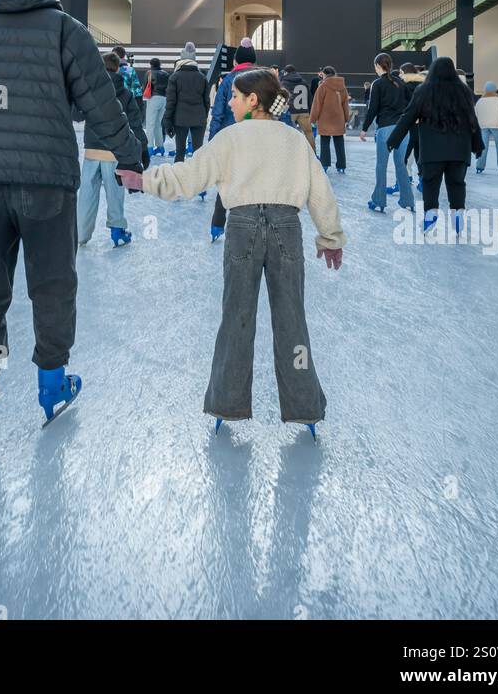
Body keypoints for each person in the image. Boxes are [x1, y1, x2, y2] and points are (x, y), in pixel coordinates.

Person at [0, 0, 143, 431]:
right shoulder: (66, 29)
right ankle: (52, 383)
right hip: (47, 181)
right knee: (52, 284)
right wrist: (130, 157)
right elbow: (98, 103)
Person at [119, 68, 344, 433]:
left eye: (236, 97)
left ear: (254, 100)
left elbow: (188, 177)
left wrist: (145, 180)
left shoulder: (230, 138)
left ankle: (226, 403)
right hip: (287, 228)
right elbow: (320, 192)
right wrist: (330, 237)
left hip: (242, 229)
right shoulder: (293, 139)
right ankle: (305, 408)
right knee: (292, 321)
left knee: (236, 319)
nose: (230, 102)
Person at [387, 56, 484, 233]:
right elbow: (472, 119)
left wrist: (393, 140)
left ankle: (430, 219)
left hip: (432, 149)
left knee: (430, 183)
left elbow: (408, 117)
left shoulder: (424, 90)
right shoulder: (463, 91)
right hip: (459, 149)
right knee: (457, 183)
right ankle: (458, 219)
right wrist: (478, 145)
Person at [78, 52, 147, 248]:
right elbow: (135, 123)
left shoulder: (91, 91)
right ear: (118, 68)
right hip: (115, 151)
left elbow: (78, 112)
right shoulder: (125, 93)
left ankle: (81, 233)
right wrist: (141, 148)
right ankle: (117, 231)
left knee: (87, 194)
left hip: (91, 149)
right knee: (114, 192)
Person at [205, 39, 258, 240]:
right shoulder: (263, 80)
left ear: (236, 60)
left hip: (231, 136)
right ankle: (248, 226)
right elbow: (277, 111)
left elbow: (218, 113)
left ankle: (218, 224)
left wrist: (213, 143)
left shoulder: (228, 81)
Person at [361, 54, 415, 212]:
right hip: (403, 130)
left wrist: (364, 128)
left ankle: (379, 200)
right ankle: (408, 200)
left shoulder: (377, 84)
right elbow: (410, 104)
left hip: (385, 129)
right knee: (401, 166)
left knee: (381, 165)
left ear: (378, 65)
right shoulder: (400, 82)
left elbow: (372, 109)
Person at [164, 47, 210, 163]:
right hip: (199, 118)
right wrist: (204, 116)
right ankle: (198, 177)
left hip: (180, 119)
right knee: (198, 152)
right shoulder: (202, 77)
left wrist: (167, 120)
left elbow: (171, 102)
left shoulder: (175, 77)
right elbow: (206, 101)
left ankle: (179, 178)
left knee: (180, 152)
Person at [309, 65, 350, 173]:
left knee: (325, 142)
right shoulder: (343, 87)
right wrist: (346, 118)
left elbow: (317, 104)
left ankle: (325, 165)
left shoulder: (322, 86)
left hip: (325, 119)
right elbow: (345, 105)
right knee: (339, 142)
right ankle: (341, 166)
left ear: (325, 74)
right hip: (339, 119)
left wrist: (312, 119)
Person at [475, 82, 498, 175]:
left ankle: (479, 166)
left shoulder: (480, 101)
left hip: (483, 126)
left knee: (484, 147)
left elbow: (476, 114)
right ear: (495, 90)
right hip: (496, 126)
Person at [279, 65, 314, 148]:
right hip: (304, 111)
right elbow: (309, 98)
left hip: (290, 112)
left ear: (286, 72)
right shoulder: (304, 82)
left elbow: (281, 98)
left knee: (288, 134)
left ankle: (291, 154)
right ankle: (313, 154)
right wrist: (309, 111)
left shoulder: (284, 82)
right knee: (309, 133)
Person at [144, 57, 170, 156]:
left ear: (151, 64)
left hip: (153, 98)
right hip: (164, 99)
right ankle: (160, 147)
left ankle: (149, 147)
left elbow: (145, 85)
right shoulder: (166, 74)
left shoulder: (149, 73)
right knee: (158, 124)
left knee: (150, 124)